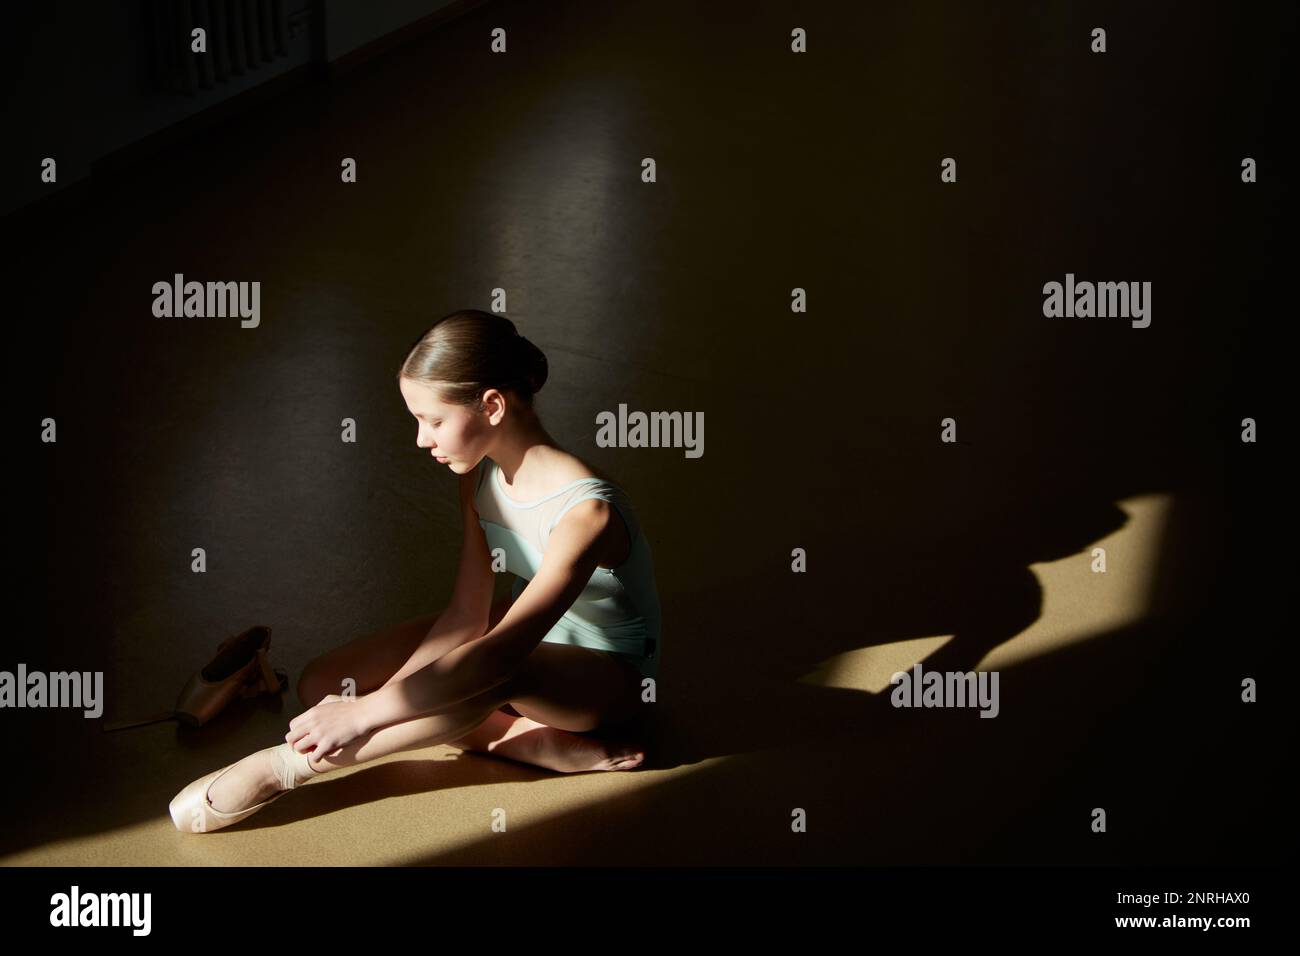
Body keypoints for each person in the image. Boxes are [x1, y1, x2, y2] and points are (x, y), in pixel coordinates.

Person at [169, 309, 661, 833]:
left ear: (492, 405)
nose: (421, 439)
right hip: (518, 644)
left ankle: (279, 770)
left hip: (605, 679)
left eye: (434, 420)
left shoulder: (589, 513)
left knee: (492, 673)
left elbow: (502, 653)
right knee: (327, 684)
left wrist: (366, 715)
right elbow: (463, 618)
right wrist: (373, 703)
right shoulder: (477, 479)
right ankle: (530, 744)